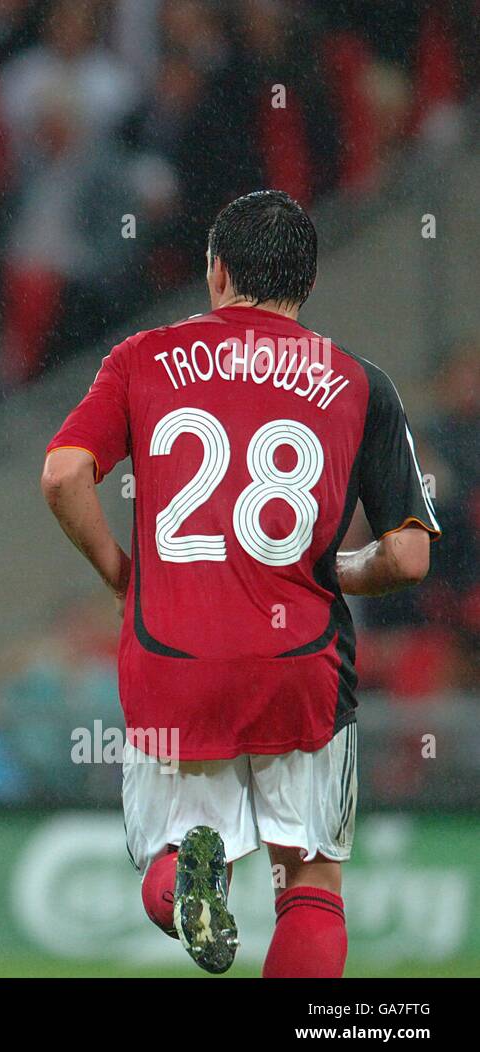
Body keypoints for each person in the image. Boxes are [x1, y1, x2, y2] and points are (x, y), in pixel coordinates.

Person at [42, 189, 438, 977]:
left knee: (173, 850)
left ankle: (183, 875)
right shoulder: (363, 385)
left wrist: (124, 574)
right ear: (308, 282)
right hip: (302, 668)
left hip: (173, 657)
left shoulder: (143, 359)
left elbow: (60, 476)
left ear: (217, 272)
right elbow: (409, 558)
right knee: (310, 883)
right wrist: (340, 571)